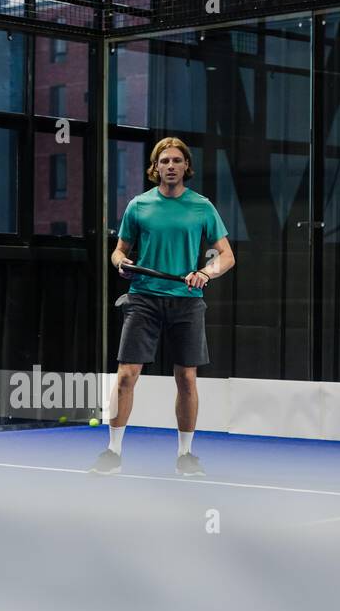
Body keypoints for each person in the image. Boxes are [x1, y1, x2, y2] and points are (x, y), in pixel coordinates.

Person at [90, 136, 235, 476]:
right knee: (126, 375)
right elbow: (119, 250)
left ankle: (185, 456)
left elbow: (226, 256)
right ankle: (112, 452)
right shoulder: (138, 206)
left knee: (186, 378)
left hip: (187, 303)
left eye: (177, 161)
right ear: (155, 168)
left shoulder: (203, 207)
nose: (170, 166)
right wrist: (120, 262)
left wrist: (204, 273)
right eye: (164, 161)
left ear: (186, 167)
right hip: (143, 299)